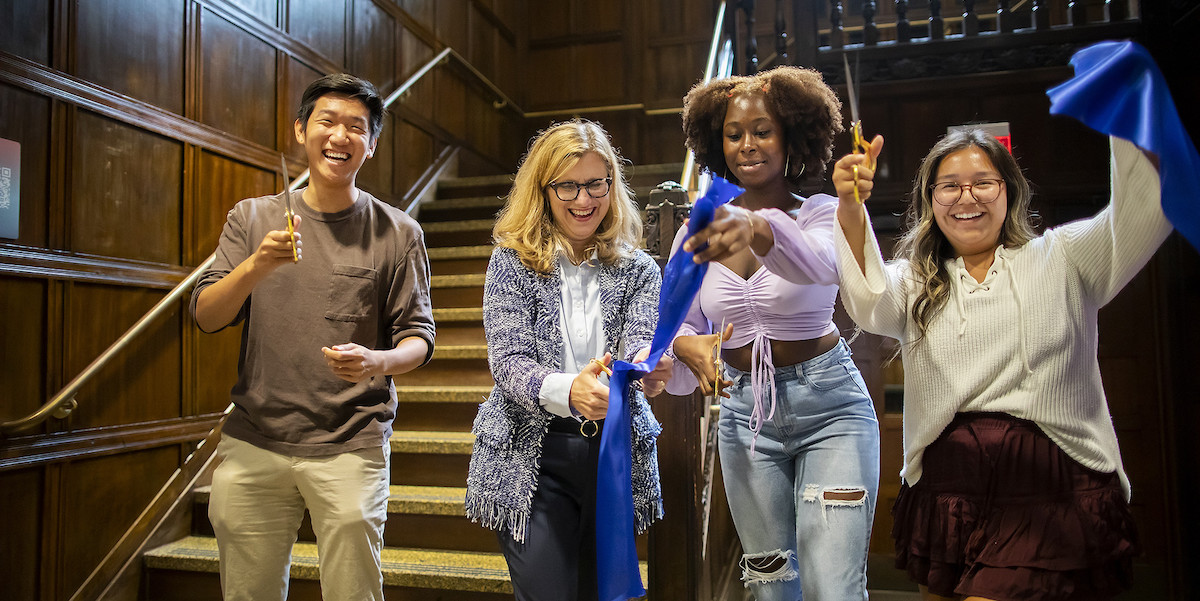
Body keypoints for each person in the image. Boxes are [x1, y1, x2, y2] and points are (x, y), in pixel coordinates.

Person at [832, 126, 1168, 600]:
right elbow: (867, 299)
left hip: (1046, 486)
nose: (966, 196)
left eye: (983, 182)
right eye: (949, 185)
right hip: (950, 488)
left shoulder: (1064, 257)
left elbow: (1141, 215)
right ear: (932, 199)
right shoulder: (916, 281)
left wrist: (1131, 117)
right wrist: (850, 204)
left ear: (1009, 190)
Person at [190, 73, 435, 601]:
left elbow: (418, 338)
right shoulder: (252, 218)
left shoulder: (398, 232)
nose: (339, 136)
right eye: (327, 121)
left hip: (352, 440)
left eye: (356, 127)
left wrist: (377, 360)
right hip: (255, 437)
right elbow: (207, 316)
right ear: (301, 130)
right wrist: (256, 265)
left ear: (372, 145)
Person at [665, 66, 880, 600]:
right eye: (734, 134)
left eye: (762, 130)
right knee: (771, 585)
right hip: (744, 419)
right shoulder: (700, 224)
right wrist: (685, 345)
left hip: (829, 406)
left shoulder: (821, 213)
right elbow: (675, 321)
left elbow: (818, 265)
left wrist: (758, 228)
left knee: (832, 584)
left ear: (790, 137)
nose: (747, 145)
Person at [464, 119, 672, 601]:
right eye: (568, 186)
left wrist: (650, 368)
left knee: (603, 593)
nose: (584, 200)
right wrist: (568, 390)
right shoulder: (511, 261)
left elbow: (640, 344)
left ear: (612, 186)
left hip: (614, 456)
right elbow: (510, 362)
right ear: (544, 190)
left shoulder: (639, 268)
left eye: (596, 183)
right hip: (529, 456)